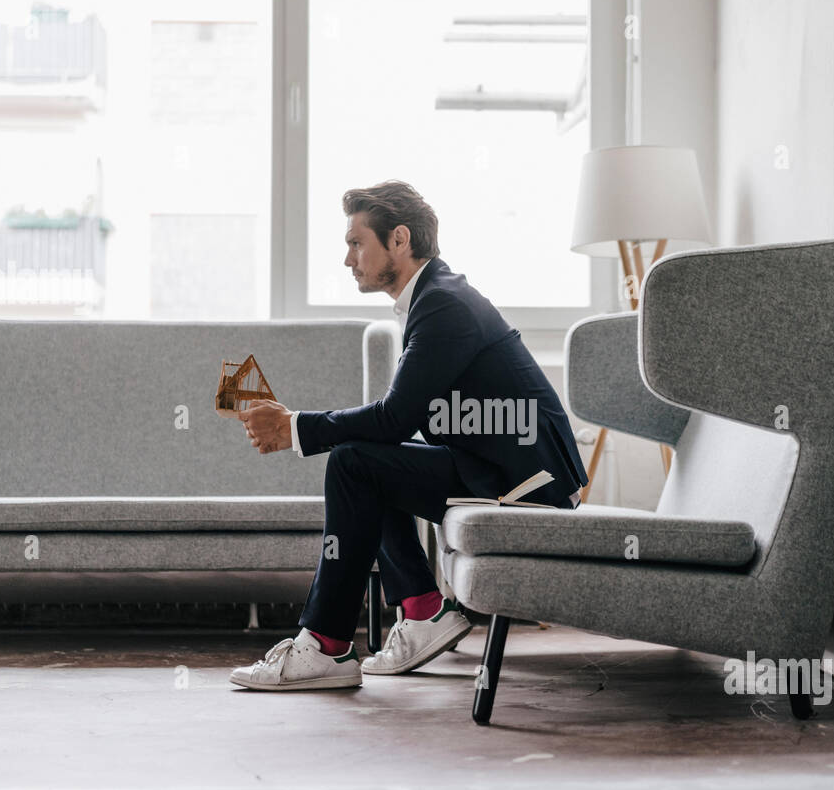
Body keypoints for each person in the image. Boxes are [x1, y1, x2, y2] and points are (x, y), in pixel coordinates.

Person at [229, 181, 588, 691]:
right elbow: (399, 424)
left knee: (355, 463)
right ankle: (420, 612)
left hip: (529, 486)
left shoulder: (444, 305)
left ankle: (326, 645)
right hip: (503, 467)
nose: (348, 258)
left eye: (357, 243)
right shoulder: (435, 299)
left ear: (399, 239)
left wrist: (293, 427)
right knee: (364, 460)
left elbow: (395, 418)